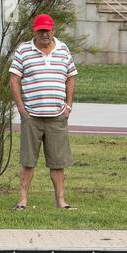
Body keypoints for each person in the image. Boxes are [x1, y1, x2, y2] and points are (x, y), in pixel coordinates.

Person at [10, 13, 78, 210]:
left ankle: (60, 201)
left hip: (57, 116)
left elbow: (71, 76)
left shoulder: (63, 49)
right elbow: (14, 79)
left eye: (47, 30)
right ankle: (22, 201)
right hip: (31, 115)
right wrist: (21, 109)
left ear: (53, 30)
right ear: (35, 31)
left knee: (58, 162)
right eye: (41, 30)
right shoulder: (23, 50)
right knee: (28, 161)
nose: (45, 34)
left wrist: (68, 105)